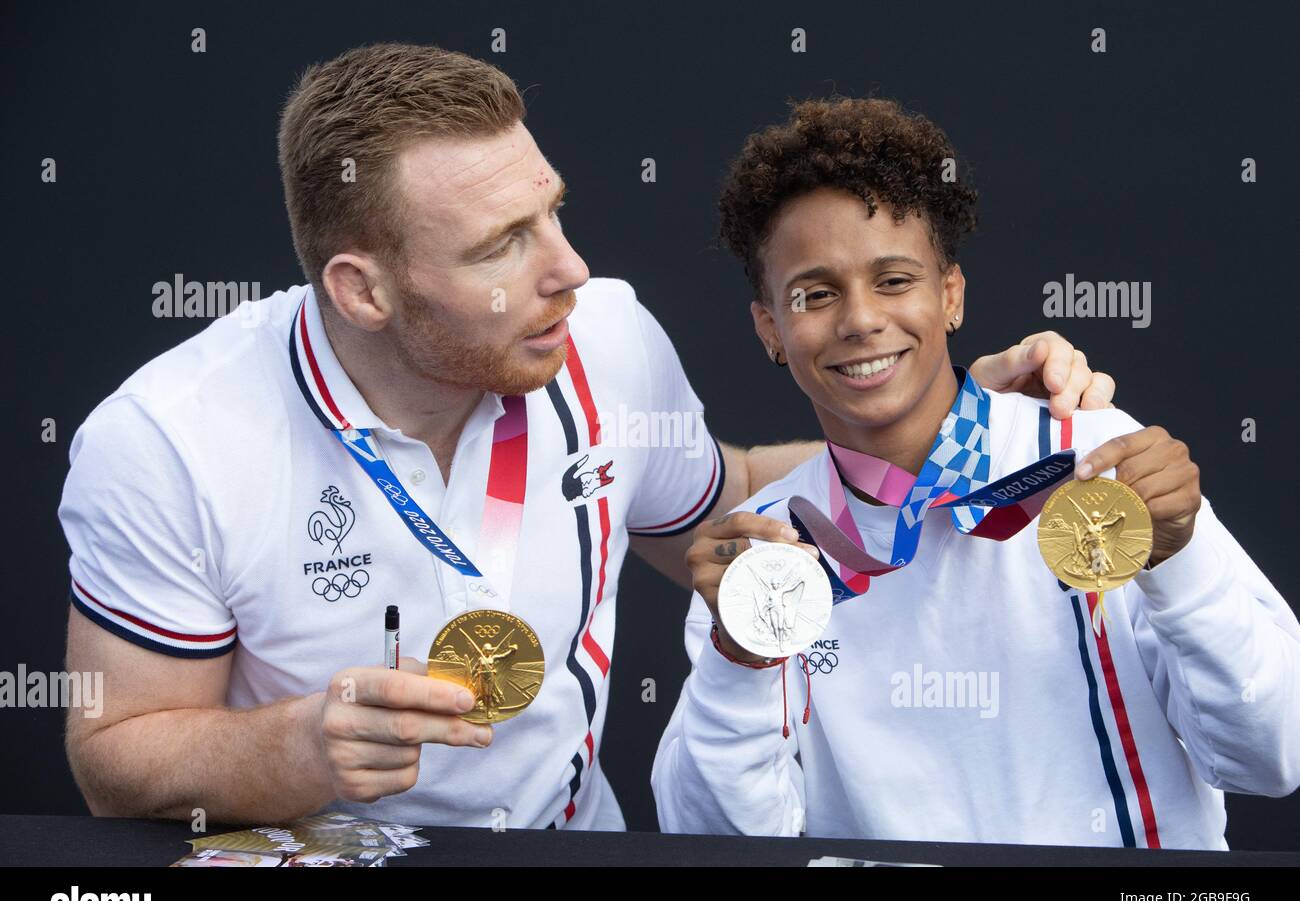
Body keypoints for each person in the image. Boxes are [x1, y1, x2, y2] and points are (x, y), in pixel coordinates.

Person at [58, 45, 1110, 830]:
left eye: (551, 211)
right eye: (502, 245)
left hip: (571, 848)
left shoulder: (596, 334)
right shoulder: (167, 440)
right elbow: (113, 756)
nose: (568, 267)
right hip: (321, 854)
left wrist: (952, 411)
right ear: (362, 289)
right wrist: (298, 745)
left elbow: (720, 503)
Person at [652, 96, 1300, 849]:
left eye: (894, 280)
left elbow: (1270, 755)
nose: (860, 319)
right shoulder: (763, 553)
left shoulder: (1093, 456)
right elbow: (718, 846)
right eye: (816, 293)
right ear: (770, 327)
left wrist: (1180, 564)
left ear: (950, 295)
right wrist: (740, 660)